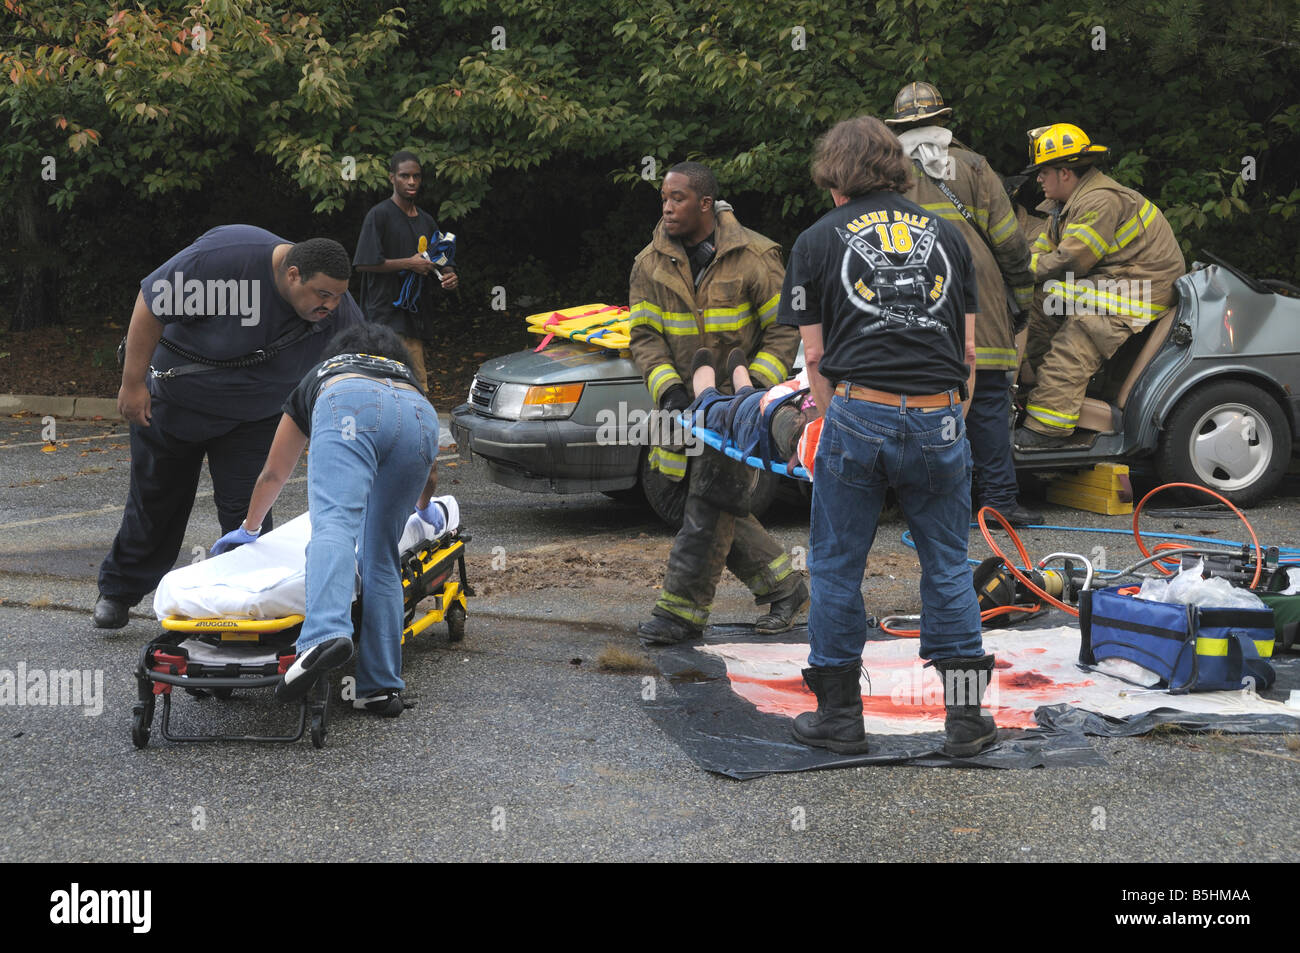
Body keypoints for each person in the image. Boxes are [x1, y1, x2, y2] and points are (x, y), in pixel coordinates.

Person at [779, 115, 998, 758]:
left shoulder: (815, 242)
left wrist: (824, 422)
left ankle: (840, 720)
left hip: (858, 411)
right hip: (940, 413)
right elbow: (968, 351)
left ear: (835, 176)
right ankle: (966, 722)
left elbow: (814, 358)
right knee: (949, 565)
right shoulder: (949, 237)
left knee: (838, 566)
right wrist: (952, 414)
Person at [94, 226, 364, 629]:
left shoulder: (336, 311)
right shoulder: (226, 263)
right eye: (322, 295)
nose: (331, 305)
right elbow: (151, 305)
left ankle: (244, 610)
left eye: (338, 296)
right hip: (174, 407)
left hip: (253, 420)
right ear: (293, 275)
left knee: (249, 517)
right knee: (156, 504)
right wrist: (132, 384)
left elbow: (363, 362)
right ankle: (119, 591)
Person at [210, 323, 443, 716]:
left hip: (349, 405)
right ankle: (380, 689)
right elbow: (431, 475)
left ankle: (324, 634)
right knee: (382, 557)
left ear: (337, 354)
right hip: (422, 417)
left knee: (334, 525)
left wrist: (249, 529)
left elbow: (274, 473)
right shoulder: (409, 382)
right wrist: (423, 509)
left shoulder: (324, 374)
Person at [629, 161, 807, 645]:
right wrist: (668, 390)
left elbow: (785, 329)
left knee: (708, 502)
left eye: (678, 198)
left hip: (735, 413)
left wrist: (754, 398)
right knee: (685, 499)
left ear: (705, 203)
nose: (667, 206)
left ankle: (679, 614)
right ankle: (786, 586)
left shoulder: (755, 256)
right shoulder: (649, 262)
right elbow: (644, 336)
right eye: (664, 197)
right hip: (682, 410)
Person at [885, 82, 1040, 525]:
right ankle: (998, 506)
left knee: (917, 403)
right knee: (987, 402)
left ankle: (930, 505)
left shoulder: (884, 173)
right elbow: (1010, 243)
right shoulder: (972, 165)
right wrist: (1021, 299)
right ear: (943, 120)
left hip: (910, 298)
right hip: (980, 298)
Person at [1014, 123, 1186, 449]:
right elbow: (1042, 254)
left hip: (1140, 289)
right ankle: (1038, 391)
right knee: (1038, 304)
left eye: (1043, 171)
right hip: (1112, 281)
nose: (1037, 179)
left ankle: (1044, 431)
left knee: (1075, 341)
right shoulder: (1063, 206)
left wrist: (1018, 273)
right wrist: (1017, 272)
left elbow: (1071, 260)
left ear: (1065, 173)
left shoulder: (1100, 201)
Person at [353, 151, 459, 389]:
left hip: (415, 317)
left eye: (416, 177)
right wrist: (409, 263)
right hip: (384, 317)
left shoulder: (426, 220)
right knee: (386, 383)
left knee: (416, 383)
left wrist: (450, 275)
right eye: (404, 176)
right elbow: (364, 263)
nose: (411, 182)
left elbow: (440, 258)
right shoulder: (379, 215)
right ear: (392, 178)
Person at [684, 346, 823, 478]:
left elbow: (785, 425)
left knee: (733, 414)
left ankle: (706, 400)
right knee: (763, 404)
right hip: (789, 408)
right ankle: (745, 390)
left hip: (763, 426)